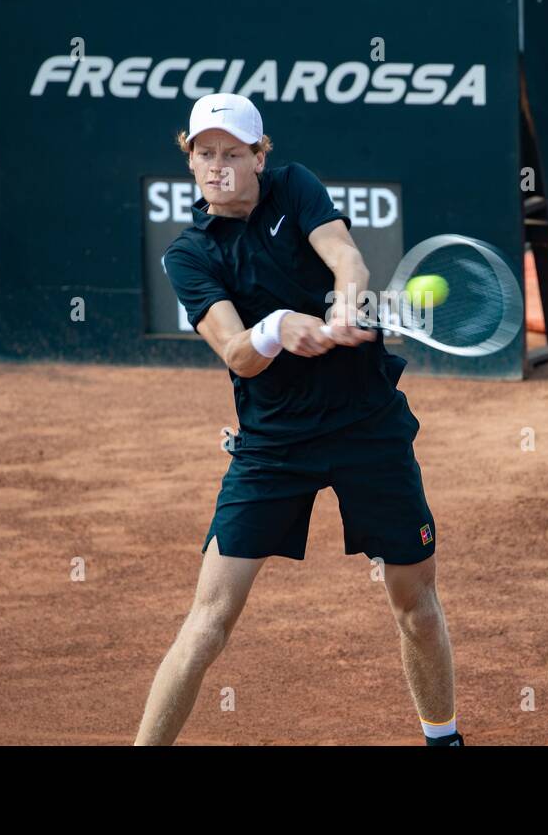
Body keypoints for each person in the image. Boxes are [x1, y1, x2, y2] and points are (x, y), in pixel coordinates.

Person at [133, 93, 463, 745]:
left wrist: (345, 304)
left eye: (233, 153)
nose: (217, 165)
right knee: (210, 619)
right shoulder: (190, 255)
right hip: (273, 445)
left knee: (415, 607)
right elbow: (236, 352)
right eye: (204, 153)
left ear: (261, 156)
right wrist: (280, 329)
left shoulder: (295, 187)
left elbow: (345, 256)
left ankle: (442, 738)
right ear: (190, 160)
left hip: (368, 425)